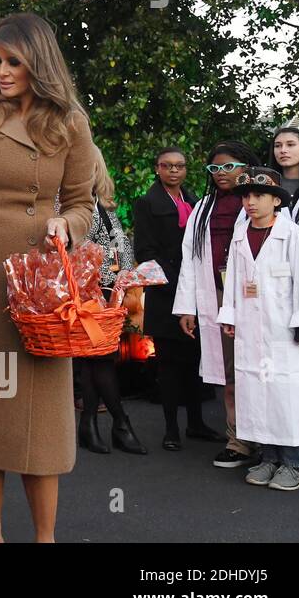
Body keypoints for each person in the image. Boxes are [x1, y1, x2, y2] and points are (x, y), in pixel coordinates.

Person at [0, 12, 96, 543]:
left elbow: (82, 204)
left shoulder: (69, 121)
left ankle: (44, 538)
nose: (1, 72)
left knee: (40, 419)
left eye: (14, 62)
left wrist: (66, 225)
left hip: (36, 281)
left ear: (39, 64)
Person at [217, 166, 299, 491]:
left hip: (285, 334)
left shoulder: (292, 235)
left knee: (287, 396)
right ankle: (269, 458)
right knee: (258, 395)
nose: (250, 202)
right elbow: (232, 280)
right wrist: (230, 315)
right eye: (246, 195)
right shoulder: (240, 235)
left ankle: (294, 464)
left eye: (258, 195)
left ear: (276, 200)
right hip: (252, 332)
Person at [171, 141, 258, 464]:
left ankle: (267, 441)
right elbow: (190, 259)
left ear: (246, 167)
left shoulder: (261, 201)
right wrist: (186, 307)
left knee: (259, 370)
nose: (221, 174)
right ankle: (238, 441)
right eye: (215, 168)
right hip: (217, 298)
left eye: (229, 166)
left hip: (253, 299)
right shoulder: (204, 207)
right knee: (231, 374)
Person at [132, 147, 202, 453]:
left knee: (195, 362)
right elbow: (144, 251)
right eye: (167, 165)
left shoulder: (194, 200)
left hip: (195, 293)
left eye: (179, 166)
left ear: (186, 170)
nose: (174, 170)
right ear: (157, 169)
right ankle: (171, 429)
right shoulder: (147, 203)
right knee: (169, 365)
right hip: (166, 292)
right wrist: (175, 281)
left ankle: (197, 423)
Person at [76, 146, 144, 455]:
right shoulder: (63, 204)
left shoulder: (103, 204)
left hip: (108, 293)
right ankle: (120, 422)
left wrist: (126, 276)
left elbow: (121, 248)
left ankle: (89, 425)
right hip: (85, 294)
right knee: (101, 359)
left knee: (96, 360)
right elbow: (73, 250)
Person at [269, 127, 299, 260]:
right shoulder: (266, 187)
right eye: (278, 146)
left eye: (290, 144)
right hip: (275, 265)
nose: (283, 150)